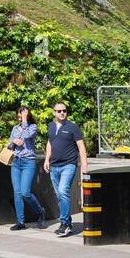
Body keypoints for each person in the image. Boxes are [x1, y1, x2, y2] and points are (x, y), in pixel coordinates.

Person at [43, 101, 87, 238]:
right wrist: (46, 159)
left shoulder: (73, 127)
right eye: (59, 111)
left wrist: (84, 164)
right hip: (54, 166)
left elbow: (81, 146)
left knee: (63, 191)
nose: (62, 113)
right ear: (54, 113)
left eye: (64, 110)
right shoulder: (50, 126)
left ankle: (65, 223)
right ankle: (67, 223)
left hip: (68, 164)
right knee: (60, 196)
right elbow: (49, 143)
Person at [7, 107, 45, 231]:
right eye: (18, 116)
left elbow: (28, 135)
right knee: (17, 193)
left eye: (22, 116)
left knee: (25, 192)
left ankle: (40, 211)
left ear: (28, 116)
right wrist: (13, 141)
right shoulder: (14, 128)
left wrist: (24, 120)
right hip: (16, 162)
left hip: (28, 162)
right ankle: (21, 222)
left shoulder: (33, 127)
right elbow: (9, 145)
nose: (20, 118)